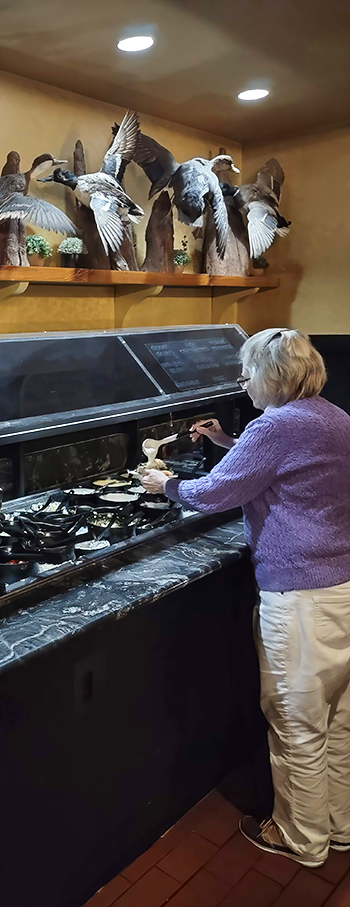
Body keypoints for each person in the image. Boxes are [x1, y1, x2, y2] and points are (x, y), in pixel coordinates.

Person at [141, 328, 350, 868]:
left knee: (297, 721)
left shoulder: (274, 425)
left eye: (247, 372)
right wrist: (228, 445)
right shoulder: (332, 416)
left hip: (300, 595)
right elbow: (291, 472)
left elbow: (214, 494)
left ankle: (301, 839)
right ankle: (341, 826)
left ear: (272, 375)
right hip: (342, 587)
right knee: (337, 719)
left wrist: (162, 484)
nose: (243, 382)